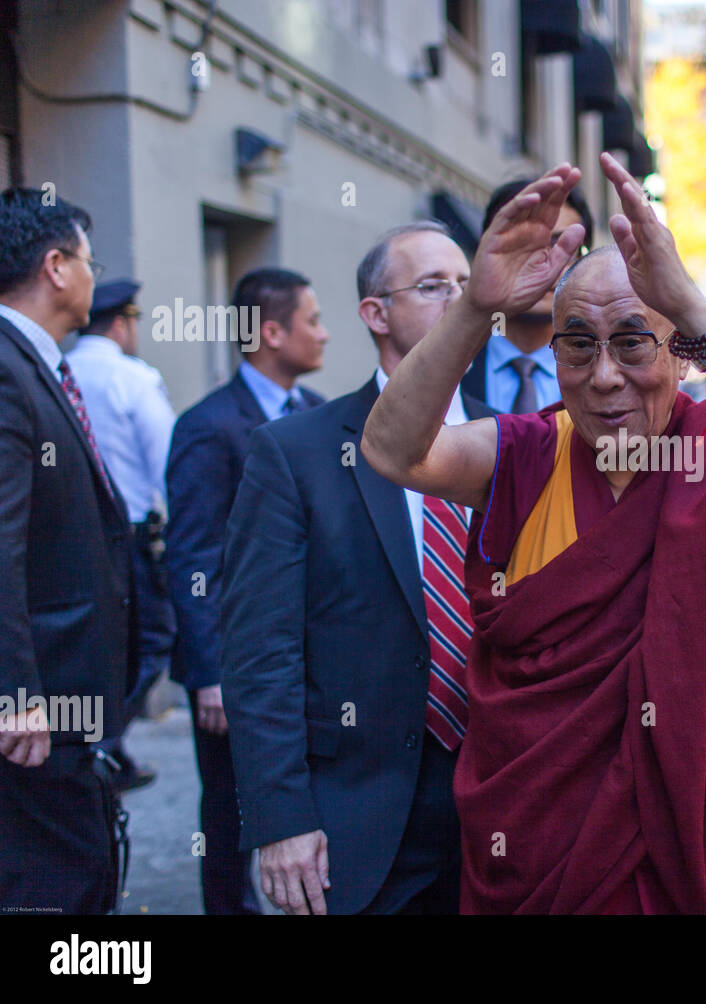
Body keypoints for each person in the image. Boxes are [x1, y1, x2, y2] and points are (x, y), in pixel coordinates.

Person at [362, 155, 706, 914]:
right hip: (537, 848)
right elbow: (395, 452)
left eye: (634, 342)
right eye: (577, 345)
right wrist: (476, 309)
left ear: (681, 354)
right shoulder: (531, 449)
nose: (603, 377)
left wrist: (697, 310)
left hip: (695, 848)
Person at [223, 222, 492, 915]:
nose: (461, 303)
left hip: (498, 807)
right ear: (375, 312)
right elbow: (261, 650)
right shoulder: (295, 453)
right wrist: (280, 820)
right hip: (358, 820)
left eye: (468, 287)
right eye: (435, 287)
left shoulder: (517, 441)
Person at [166, 267, 329, 914]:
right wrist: (209, 674)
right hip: (232, 666)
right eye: (312, 320)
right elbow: (192, 557)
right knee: (231, 816)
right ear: (271, 332)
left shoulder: (318, 416)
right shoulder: (208, 425)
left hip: (305, 658)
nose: (323, 333)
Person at [0, 187, 136, 913]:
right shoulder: (6, 367)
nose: (93, 276)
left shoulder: (36, 362)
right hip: (38, 704)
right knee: (59, 886)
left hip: (65, 699)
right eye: (89, 260)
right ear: (56, 267)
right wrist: (14, 693)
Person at [65, 279, 176, 791]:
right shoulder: (132, 378)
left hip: (69, 536)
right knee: (153, 639)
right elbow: (166, 464)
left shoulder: (58, 369)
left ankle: (104, 746)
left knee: (95, 644)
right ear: (122, 322)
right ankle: (102, 745)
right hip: (128, 536)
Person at [459, 179, 592, 413]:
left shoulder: (608, 370)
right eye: (522, 245)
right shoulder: (448, 366)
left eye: (563, 246)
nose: (541, 263)